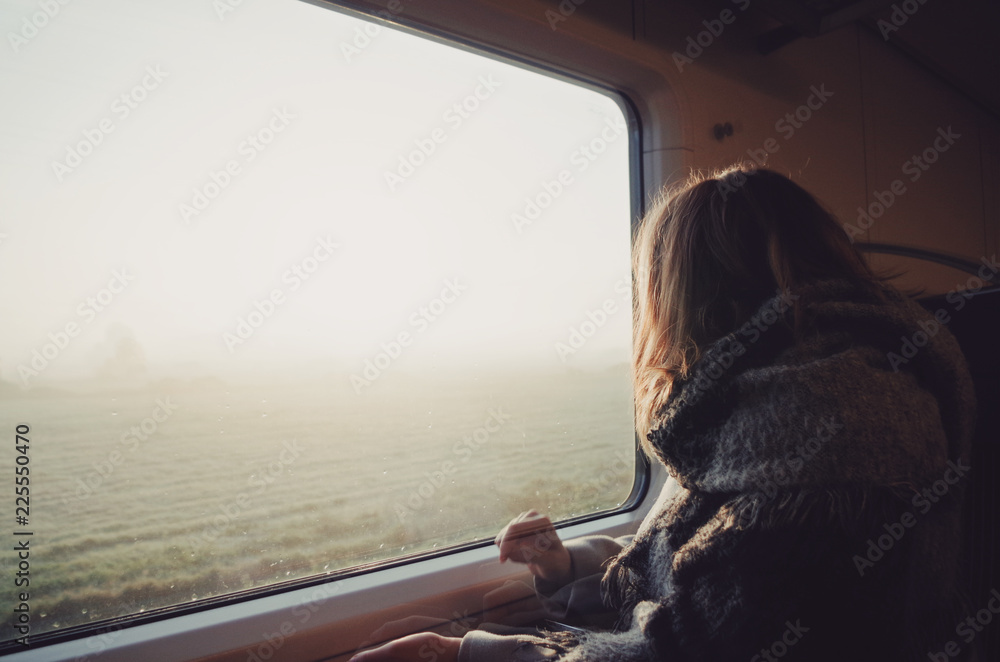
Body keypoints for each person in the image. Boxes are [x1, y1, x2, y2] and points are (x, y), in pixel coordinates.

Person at [349, 165, 977, 661]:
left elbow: (679, 649)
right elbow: (697, 557)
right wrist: (564, 564)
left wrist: (462, 654)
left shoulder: (822, 437)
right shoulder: (782, 398)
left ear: (686, 301)